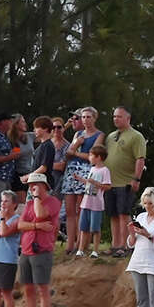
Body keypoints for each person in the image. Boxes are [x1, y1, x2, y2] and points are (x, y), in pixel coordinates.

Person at [15, 171, 59, 307]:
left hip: (42, 250)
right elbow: (20, 225)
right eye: (30, 186)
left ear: (44, 187)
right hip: (27, 249)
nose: (32, 188)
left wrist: (37, 199)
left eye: (35, 185)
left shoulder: (52, 201)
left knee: (42, 289)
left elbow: (41, 214)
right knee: (28, 289)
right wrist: (36, 227)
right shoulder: (28, 205)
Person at [104, 105, 147, 254]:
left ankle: (126, 245)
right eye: (114, 116)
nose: (116, 119)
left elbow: (140, 159)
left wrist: (136, 179)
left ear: (128, 118)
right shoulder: (110, 136)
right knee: (113, 214)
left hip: (126, 182)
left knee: (124, 213)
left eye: (119, 116)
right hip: (110, 183)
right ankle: (115, 245)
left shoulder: (136, 136)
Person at [62, 107, 103, 255]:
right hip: (71, 171)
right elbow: (68, 154)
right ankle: (70, 244)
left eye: (88, 117)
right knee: (69, 210)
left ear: (94, 118)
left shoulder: (99, 135)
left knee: (82, 209)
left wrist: (76, 152)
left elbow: (93, 156)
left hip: (86, 171)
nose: (85, 120)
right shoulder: (78, 134)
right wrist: (75, 146)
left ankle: (81, 243)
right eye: (83, 117)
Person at [80, 145, 111, 257]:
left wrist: (94, 183)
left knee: (95, 228)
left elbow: (107, 186)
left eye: (91, 155)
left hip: (96, 204)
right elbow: (89, 184)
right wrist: (82, 180)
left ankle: (95, 250)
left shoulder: (105, 170)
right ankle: (81, 250)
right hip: (86, 202)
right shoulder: (92, 169)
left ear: (98, 157)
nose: (89, 157)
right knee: (83, 227)